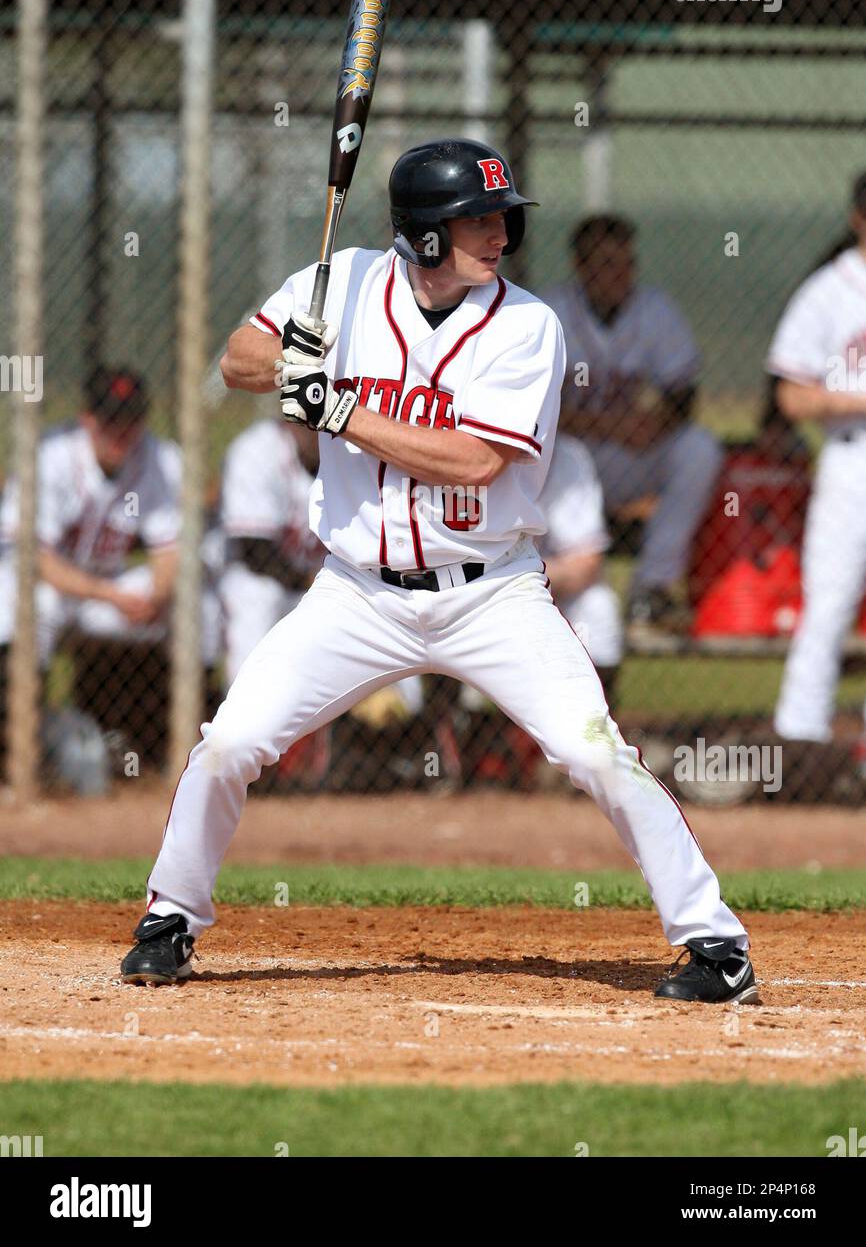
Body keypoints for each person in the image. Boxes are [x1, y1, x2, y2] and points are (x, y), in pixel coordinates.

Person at [120, 138, 756, 1006]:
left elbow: (471, 462)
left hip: (493, 592)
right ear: (422, 236)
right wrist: (290, 361)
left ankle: (715, 942)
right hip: (357, 595)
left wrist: (336, 401)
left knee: (595, 750)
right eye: (478, 221)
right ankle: (171, 916)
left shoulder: (528, 324)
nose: (500, 235)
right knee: (231, 741)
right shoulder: (340, 282)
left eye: (502, 218)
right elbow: (237, 360)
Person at [0, 368, 220, 774]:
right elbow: (35, 560)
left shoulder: (159, 458)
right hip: (45, 586)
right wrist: (110, 595)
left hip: (105, 593)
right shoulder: (52, 456)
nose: (122, 431)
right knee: (35, 603)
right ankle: (18, 745)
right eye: (110, 420)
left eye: (131, 419)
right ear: (88, 418)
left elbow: (170, 550)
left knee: (197, 601)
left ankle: (194, 751)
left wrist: (157, 593)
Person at [542, 215, 723, 630]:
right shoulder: (548, 312)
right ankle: (539, 579)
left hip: (624, 460)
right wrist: (608, 425)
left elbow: (683, 393)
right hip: (563, 463)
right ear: (580, 266)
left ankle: (652, 589)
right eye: (607, 263)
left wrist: (655, 424)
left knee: (697, 448)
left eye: (627, 262)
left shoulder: (653, 308)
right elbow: (528, 412)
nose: (620, 273)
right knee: (551, 451)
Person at [766, 171, 866, 744]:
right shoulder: (829, 290)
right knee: (828, 603)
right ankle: (800, 741)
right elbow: (790, 394)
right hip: (851, 458)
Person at [220, 420, 324, 684]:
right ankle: (244, 708)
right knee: (260, 597)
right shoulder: (258, 449)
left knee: (404, 697)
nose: (317, 433)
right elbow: (255, 552)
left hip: (323, 589)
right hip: (262, 581)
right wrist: (311, 582)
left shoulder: (356, 457)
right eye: (309, 423)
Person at [537, 431, 622, 705]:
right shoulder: (467, 447)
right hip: (477, 590)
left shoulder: (565, 454)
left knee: (598, 606)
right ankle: (473, 733)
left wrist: (524, 580)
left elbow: (587, 562)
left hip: (539, 583)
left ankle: (595, 724)